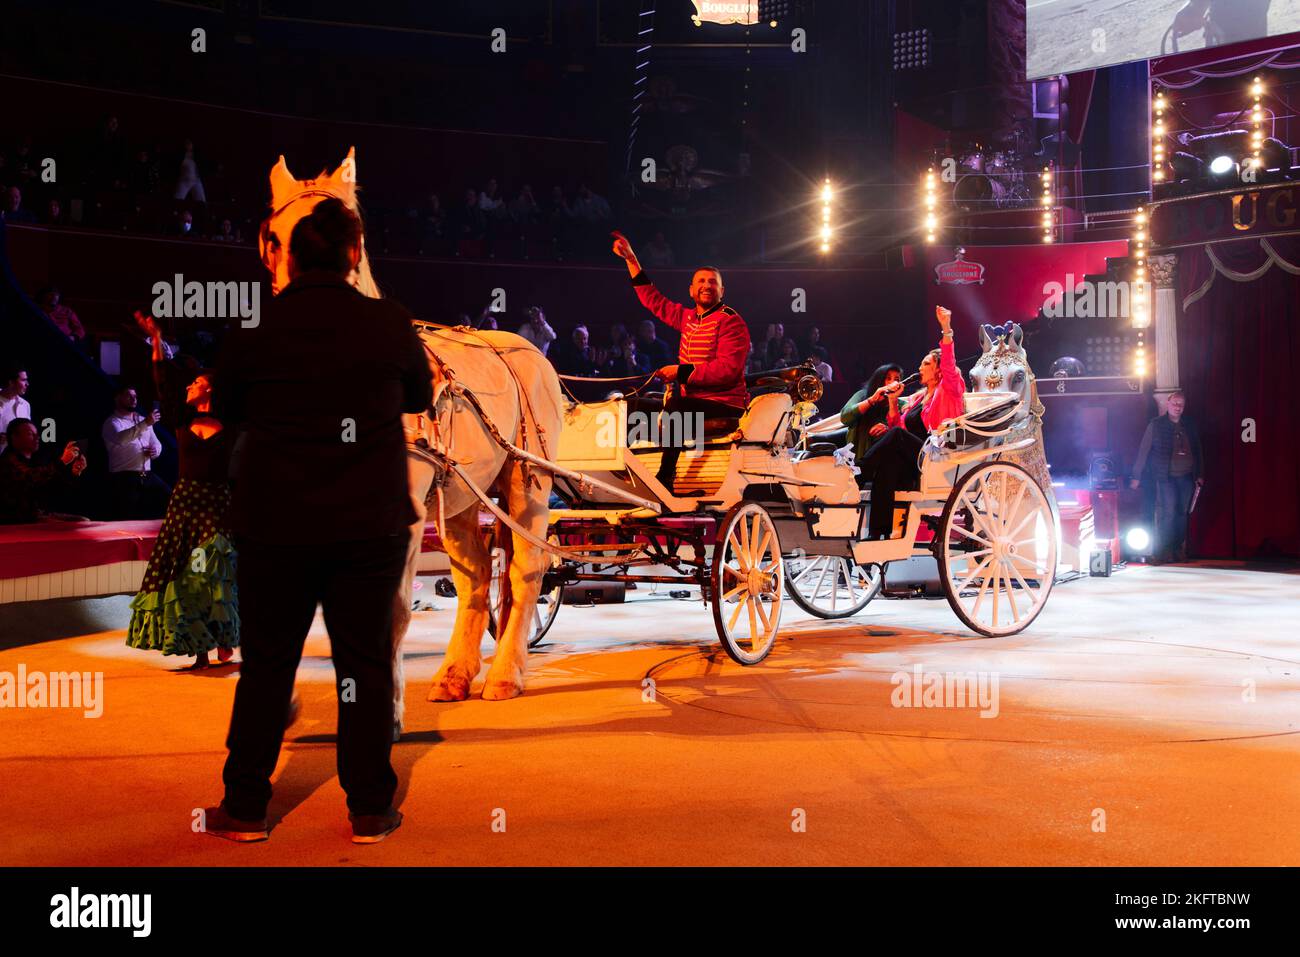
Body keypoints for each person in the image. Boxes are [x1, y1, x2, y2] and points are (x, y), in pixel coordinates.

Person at [206, 197, 432, 845]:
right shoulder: (389, 321)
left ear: (290, 259)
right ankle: (368, 807)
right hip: (368, 526)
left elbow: (227, 405)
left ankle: (246, 806)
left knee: (267, 666)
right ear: (354, 256)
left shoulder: (256, 326)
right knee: (362, 666)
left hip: (275, 524)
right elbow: (419, 395)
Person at [126, 312, 238, 669]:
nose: (188, 387)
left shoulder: (233, 427)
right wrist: (157, 339)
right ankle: (200, 651)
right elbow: (162, 383)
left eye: (195, 384)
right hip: (185, 505)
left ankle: (223, 637)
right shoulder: (181, 420)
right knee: (187, 575)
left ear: (209, 390)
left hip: (218, 505)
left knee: (215, 575)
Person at [613, 234, 750, 491]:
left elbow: (727, 371)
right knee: (631, 406)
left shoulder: (731, 320)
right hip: (690, 403)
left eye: (712, 282)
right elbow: (653, 301)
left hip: (724, 405)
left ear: (722, 291)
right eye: (701, 281)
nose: (706, 285)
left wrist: (679, 372)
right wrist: (631, 260)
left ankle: (666, 479)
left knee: (676, 407)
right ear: (691, 290)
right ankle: (625, 474)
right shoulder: (688, 317)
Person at [855, 307, 965, 539]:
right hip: (916, 458)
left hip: (938, 454)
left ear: (938, 370)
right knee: (887, 468)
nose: (919, 368)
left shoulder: (949, 388)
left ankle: (859, 472)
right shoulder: (917, 397)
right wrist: (893, 403)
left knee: (895, 436)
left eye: (925, 364)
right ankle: (878, 536)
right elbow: (900, 428)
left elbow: (949, 365)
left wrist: (946, 328)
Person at [1130, 391, 1204, 564]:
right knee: (1167, 513)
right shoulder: (1156, 425)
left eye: (1181, 404)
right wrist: (1136, 476)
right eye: (1175, 403)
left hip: (1187, 476)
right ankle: (1163, 551)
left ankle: (1178, 549)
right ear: (1167, 404)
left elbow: (1198, 450)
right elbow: (1144, 451)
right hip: (1166, 477)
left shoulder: (1189, 424)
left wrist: (1200, 473)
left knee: (1182, 513)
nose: (1178, 407)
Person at [102, 385, 171, 519]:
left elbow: (156, 442)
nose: (134, 399)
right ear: (118, 398)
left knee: (169, 497)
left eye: (135, 397)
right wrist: (145, 423)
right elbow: (121, 439)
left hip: (146, 474)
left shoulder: (142, 420)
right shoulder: (112, 422)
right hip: (124, 477)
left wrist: (155, 450)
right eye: (129, 396)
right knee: (128, 516)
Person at [0, 419, 87, 524]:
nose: (37, 438)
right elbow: (30, 477)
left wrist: (74, 472)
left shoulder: (36, 460)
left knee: (83, 521)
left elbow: (51, 487)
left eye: (37, 434)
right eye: (30, 434)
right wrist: (62, 462)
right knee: (71, 527)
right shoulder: (8, 460)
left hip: (38, 514)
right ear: (14, 437)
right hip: (19, 517)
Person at [840, 363, 903, 472]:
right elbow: (845, 417)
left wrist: (887, 429)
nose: (892, 383)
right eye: (888, 378)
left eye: (896, 379)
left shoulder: (900, 404)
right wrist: (872, 400)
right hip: (857, 459)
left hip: (886, 463)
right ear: (879, 381)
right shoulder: (862, 395)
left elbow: (901, 431)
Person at [0, 367, 32, 455]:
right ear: (11, 382)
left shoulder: (25, 405)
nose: (27, 384)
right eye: (23, 380)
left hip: (17, 463)